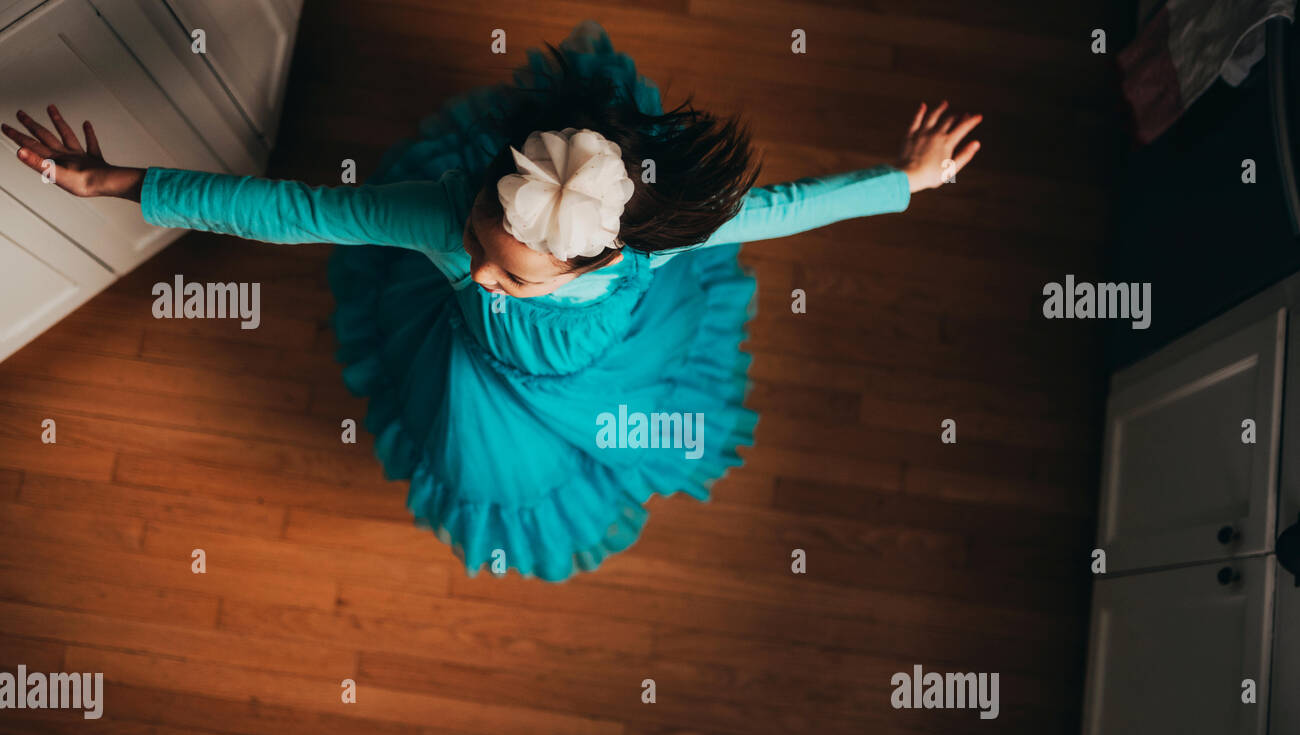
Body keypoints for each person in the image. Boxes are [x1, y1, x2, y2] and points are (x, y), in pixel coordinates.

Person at [3, 20, 982, 581]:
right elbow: (291, 209)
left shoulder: (657, 239)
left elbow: (785, 208)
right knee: (466, 419)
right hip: (479, 370)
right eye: (478, 243)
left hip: (595, 361)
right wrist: (118, 182)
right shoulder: (437, 220)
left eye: (510, 273)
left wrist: (908, 179)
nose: (476, 276)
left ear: (593, 260)